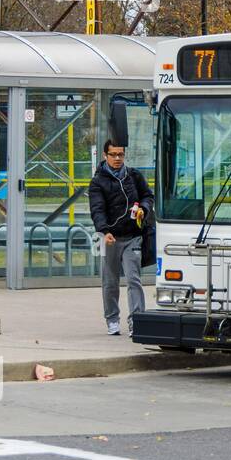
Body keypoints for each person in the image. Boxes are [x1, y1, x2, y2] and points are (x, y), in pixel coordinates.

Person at [88, 140, 154, 336]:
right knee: (110, 281)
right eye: (113, 155)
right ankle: (112, 319)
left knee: (134, 279)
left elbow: (148, 196)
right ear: (105, 156)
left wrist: (144, 208)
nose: (117, 158)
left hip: (132, 237)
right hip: (110, 238)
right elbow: (97, 209)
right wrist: (104, 230)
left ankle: (137, 320)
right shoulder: (98, 181)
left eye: (120, 155)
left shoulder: (133, 175)